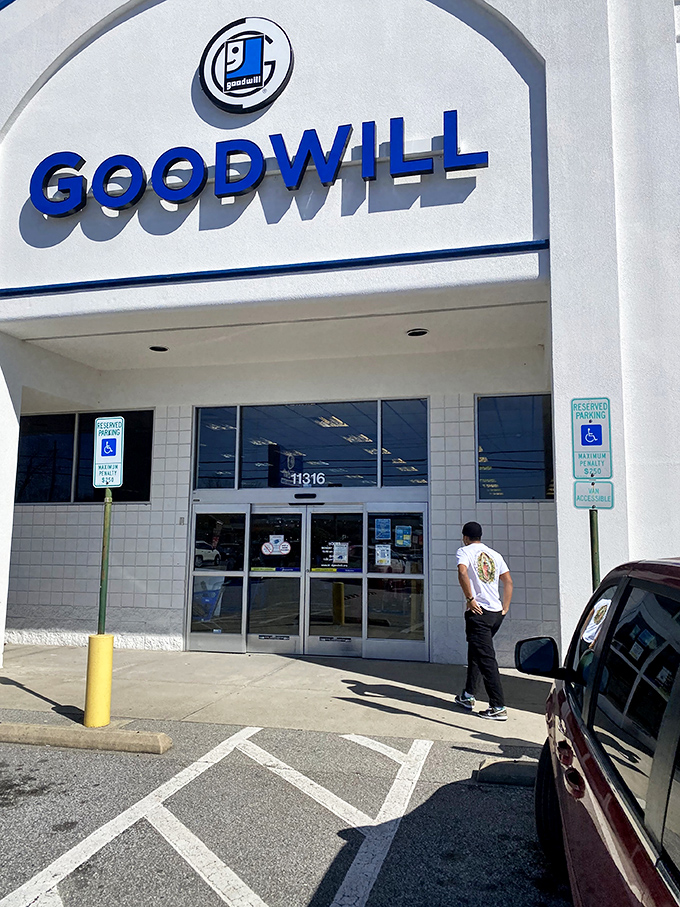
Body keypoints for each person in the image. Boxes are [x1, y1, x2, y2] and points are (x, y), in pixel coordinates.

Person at [454, 521, 513, 720]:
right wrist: (505, 607)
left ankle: (498, 706)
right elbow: (508, 581)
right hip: (495, 613)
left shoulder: (464, 551)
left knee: (486, 659)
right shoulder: (495, 555)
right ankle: (468, 695)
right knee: (476, 654)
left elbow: (462, 572)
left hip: (478, 613)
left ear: (465, 537)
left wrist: (470, 599)